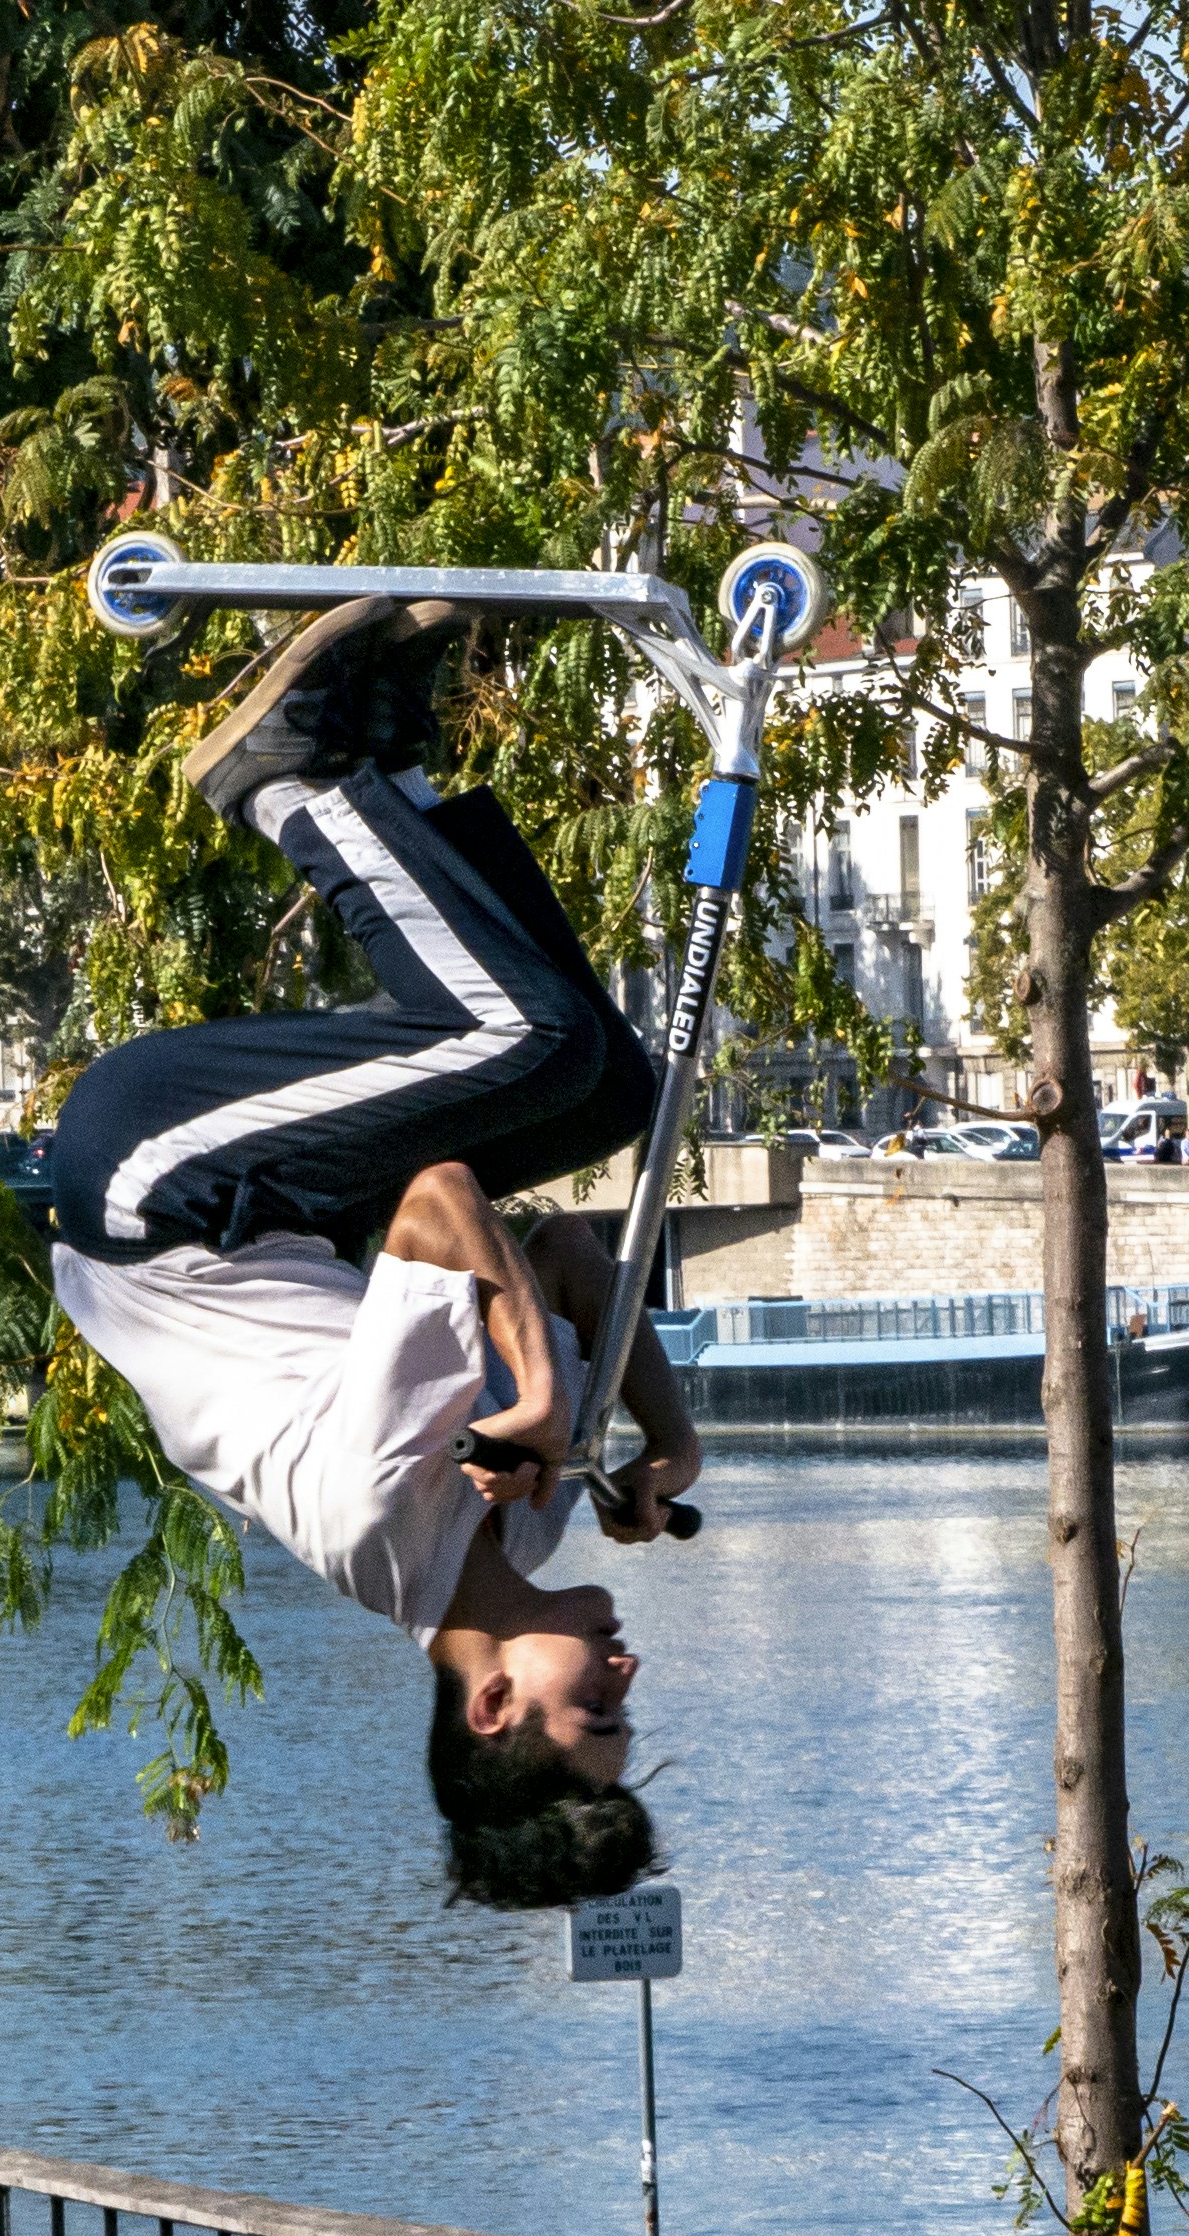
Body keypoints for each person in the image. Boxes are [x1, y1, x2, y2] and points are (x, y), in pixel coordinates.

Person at [49, 593, 705, 1913]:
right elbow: (573, 1256)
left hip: (154, 1185)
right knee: (600, 1091)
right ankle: (386, 771)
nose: (625, 1679)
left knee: (525, 1049)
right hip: (271, 1207)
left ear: (498, 1703)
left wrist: (527, 1388)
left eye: (598, 1720)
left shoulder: (381, 1512)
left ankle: (286, 784)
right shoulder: (520, 1526)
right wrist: (663, 1434)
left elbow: (442, 1201)